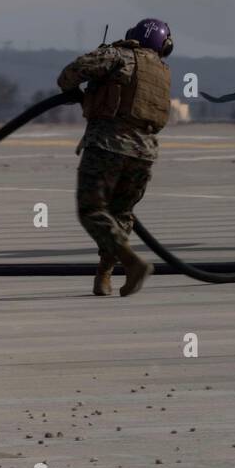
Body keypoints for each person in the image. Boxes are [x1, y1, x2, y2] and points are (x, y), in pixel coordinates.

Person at [57, 18, 173, 296]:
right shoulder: (162, 71)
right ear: (165, 46)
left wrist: (77, 93)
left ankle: (132, 263)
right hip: (144, 154)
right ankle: (104, 278)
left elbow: (70, 73)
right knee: (120, 214)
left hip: (107, 146)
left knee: (92, 211)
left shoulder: (117, 55)